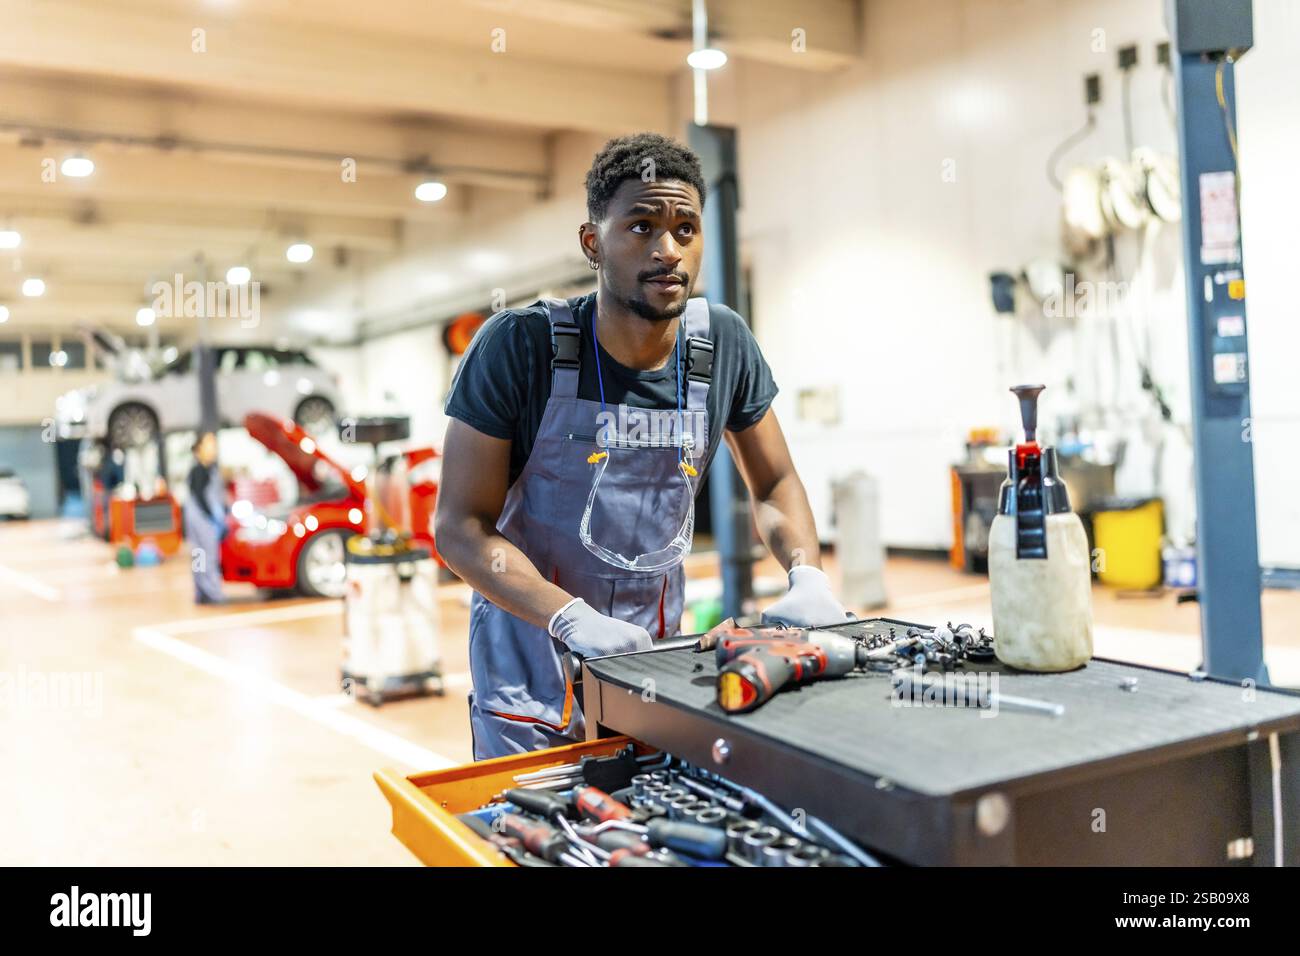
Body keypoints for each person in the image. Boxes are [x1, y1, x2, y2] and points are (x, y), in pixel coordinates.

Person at [436, 132, 848, 760]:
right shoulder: (520, 348)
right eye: (641, 226)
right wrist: (568, 618)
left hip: (652, 665)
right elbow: (460, 527)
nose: (667, 249)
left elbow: (773, 483)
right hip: (532, 679)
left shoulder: (722, 345)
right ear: (592, 243)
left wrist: (806, 572)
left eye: (686, 228)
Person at [184, 431, 226, 605]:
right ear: (199, 448)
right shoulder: (199, 470)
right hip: (202, 519)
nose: (214, 448)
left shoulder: (210, 469)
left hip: (201, 519)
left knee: (199, 555)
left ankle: (201, 591)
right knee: (206, 555)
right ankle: (212, 591)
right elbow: (202, 496)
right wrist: (213, 517)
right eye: (210, 444)